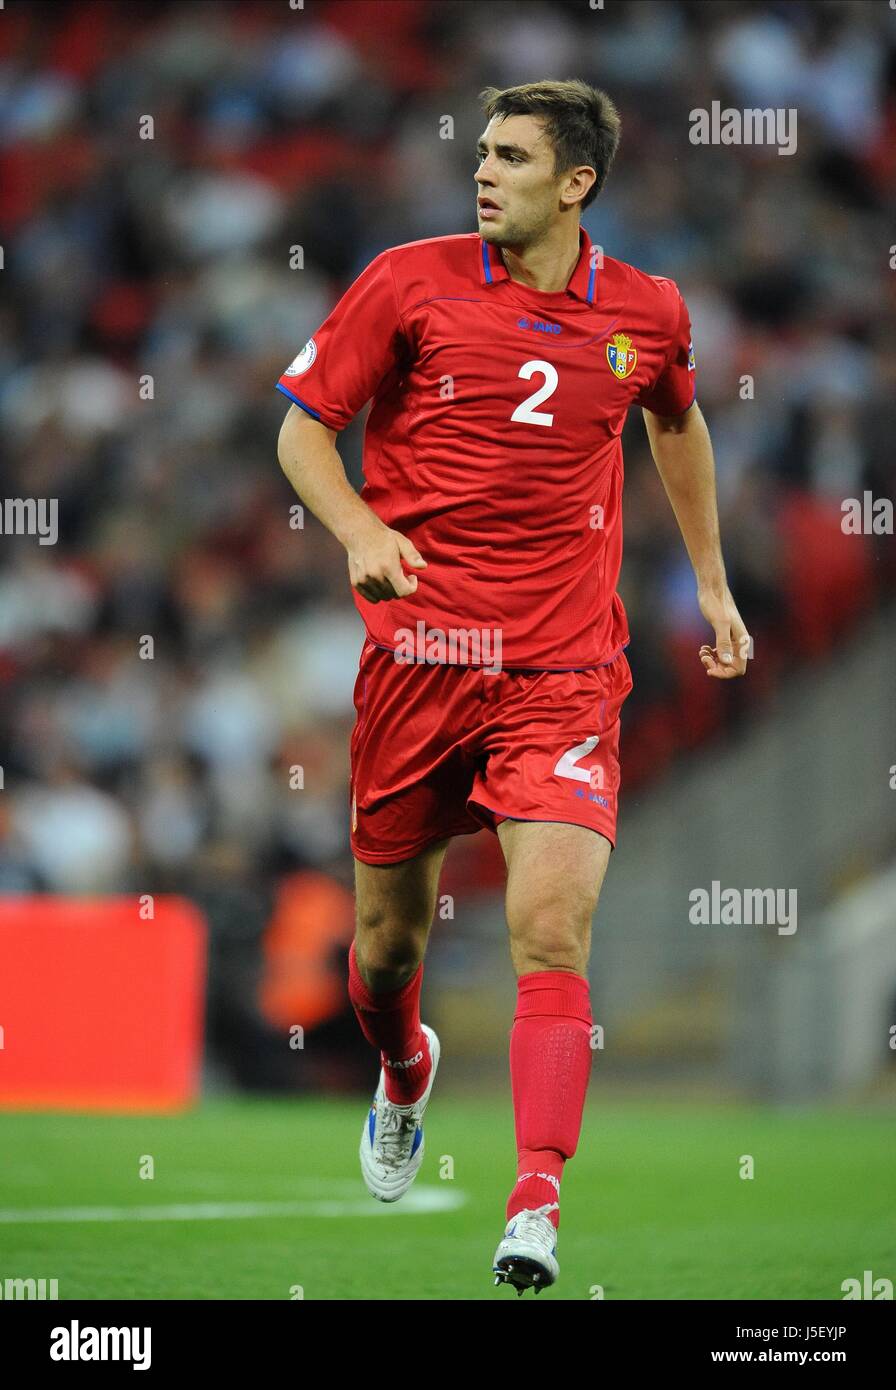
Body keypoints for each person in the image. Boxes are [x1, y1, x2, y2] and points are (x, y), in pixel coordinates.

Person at [276, 79, 750, 1295]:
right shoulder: (408, 282)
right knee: (386, 948)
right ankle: (402, 1068)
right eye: (481, 152)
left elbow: (675, 423)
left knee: (550, 929)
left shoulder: (646, 311)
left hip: (562, 672)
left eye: (511, 157)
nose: (481, 172)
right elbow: (301, 429)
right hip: (419, 666)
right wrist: (358, 529)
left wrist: (709, 583)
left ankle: (533, 1200)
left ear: (575, 182)